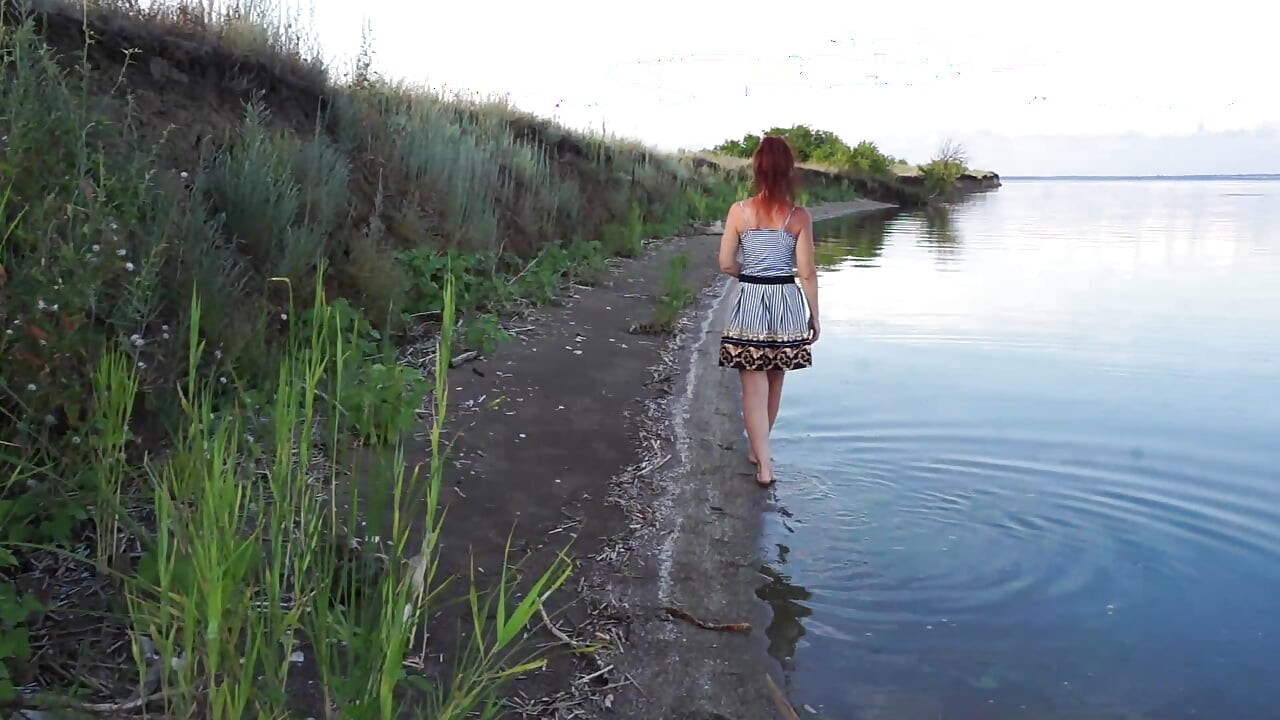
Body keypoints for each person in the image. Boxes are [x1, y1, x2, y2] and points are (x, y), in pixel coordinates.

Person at [716, 135, 819, 488]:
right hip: (787, 303)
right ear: (789, 171)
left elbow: (725, 263)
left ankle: (764, 464)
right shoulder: (799, 216)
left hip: (751, 303)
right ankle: (760, 452)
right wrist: (814, 315)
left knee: (752, 387)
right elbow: (806, 272)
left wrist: (749, 273)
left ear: (757, 169)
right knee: (775, 380)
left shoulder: (739, 211)